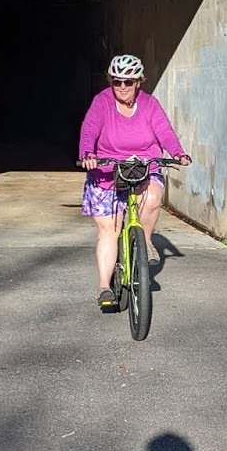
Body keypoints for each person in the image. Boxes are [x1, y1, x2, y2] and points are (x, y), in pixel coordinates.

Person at [79, 55, 191, 310]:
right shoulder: (102, 102)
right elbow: (89, 129)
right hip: (106, 170)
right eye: (117, 81)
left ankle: (146, 243)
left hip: (143, 166)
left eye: (128, 82)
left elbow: (164, 132)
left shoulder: (150, 104)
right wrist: (88, 154)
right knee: (109, 231)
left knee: (152, 196)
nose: (122, 87)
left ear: (139, 82)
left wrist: (177, 153)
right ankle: (104, 286)